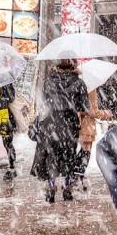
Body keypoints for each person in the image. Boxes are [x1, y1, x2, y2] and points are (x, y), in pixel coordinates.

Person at [30, 58, 89, 202]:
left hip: (50, 124)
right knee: (68, 156)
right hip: (69, 125)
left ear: (57, 64)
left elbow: (43, 102)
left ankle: (51, 187)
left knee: (52, 156)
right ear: (73, 64)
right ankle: (67, 188)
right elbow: (85, 107)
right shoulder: (79, 83)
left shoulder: (48, 81)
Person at [73, 89, 113, 191]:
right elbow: (92, 111)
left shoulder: (74, 83)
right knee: (85, 151)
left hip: (72, 122)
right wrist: (105, 113)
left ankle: (73, 177)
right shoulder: (90, 88)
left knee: (76, 151)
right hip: (86, 125)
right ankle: (77, 178)